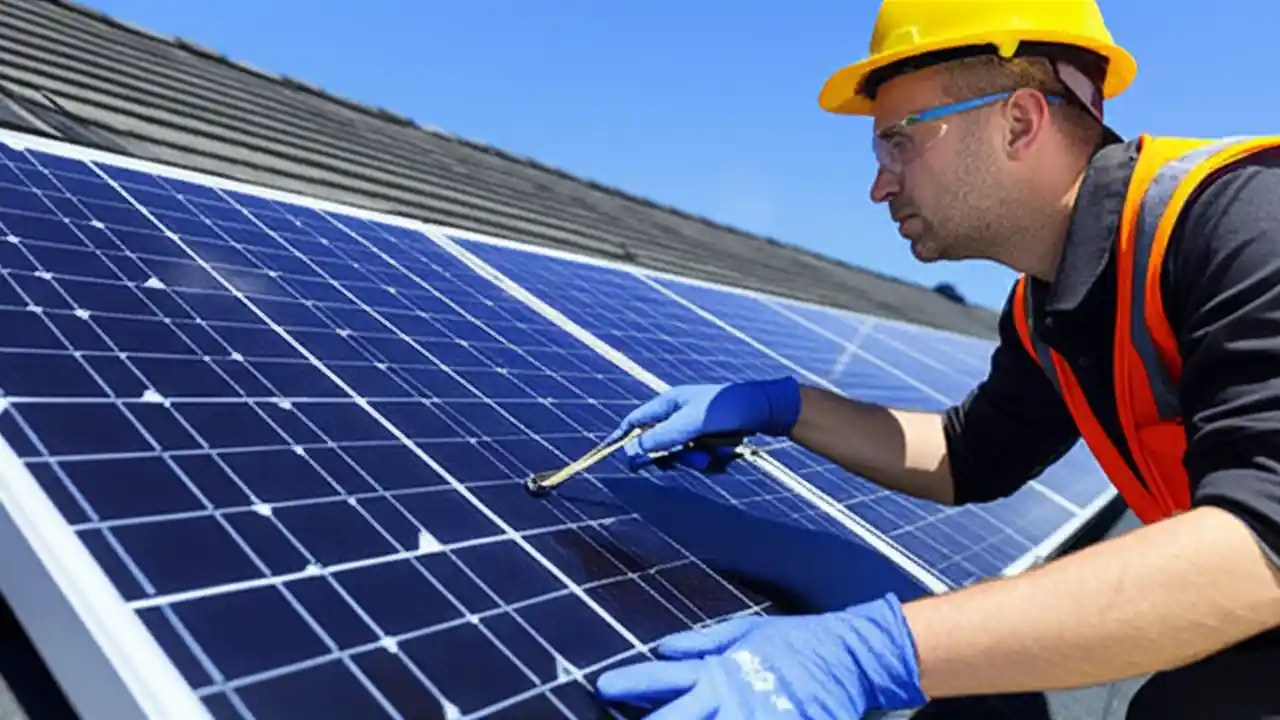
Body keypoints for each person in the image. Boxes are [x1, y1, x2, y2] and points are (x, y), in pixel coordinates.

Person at [591, 1, 1280, 718]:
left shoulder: (1243, 220)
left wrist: (872, 655)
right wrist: (786, 407)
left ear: (1019, 122)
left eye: (900, 142)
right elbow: (965, 457)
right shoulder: (1050, 308)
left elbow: (1263, 539)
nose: (880, 184)